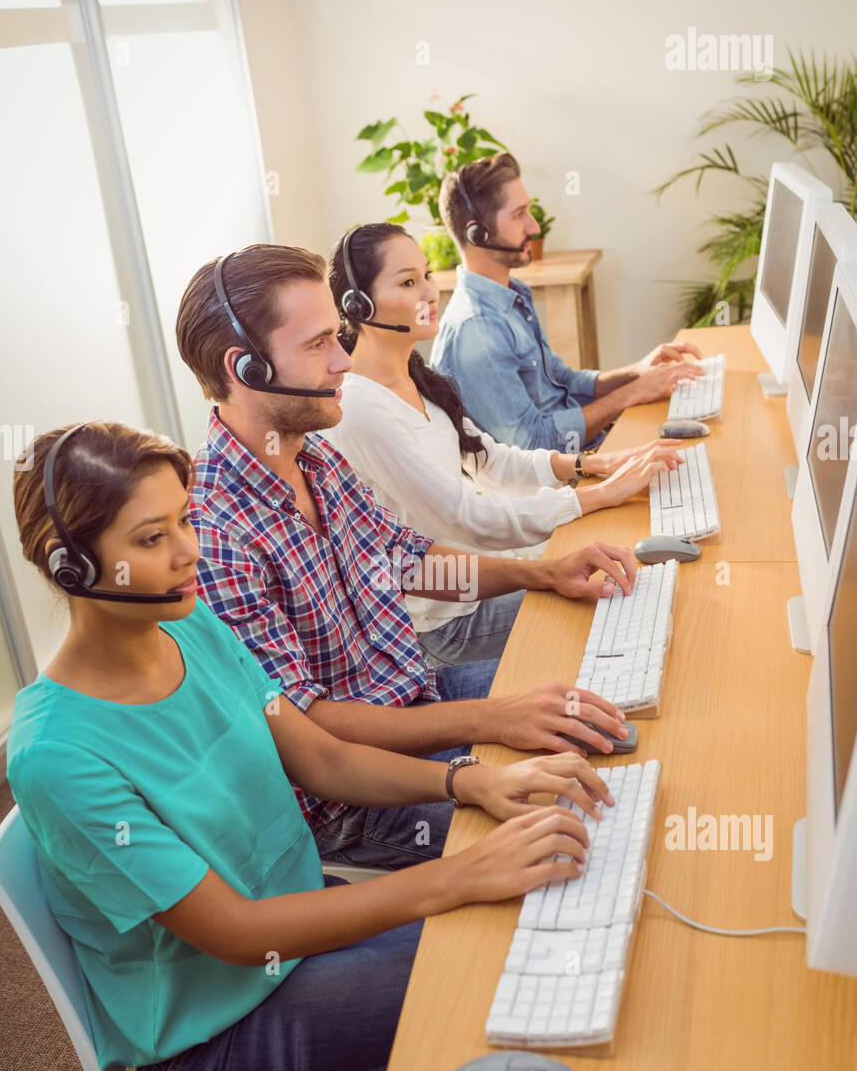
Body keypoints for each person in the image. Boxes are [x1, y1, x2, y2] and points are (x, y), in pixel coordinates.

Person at [6, 420, 613, 1071]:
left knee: (536, 915)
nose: (188, 554)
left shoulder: (188, 626)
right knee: (516, 967)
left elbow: (319, 758)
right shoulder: (58, 754)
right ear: (69, 566)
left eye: (183, 521)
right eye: (152, 538)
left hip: (302, 926)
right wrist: (459, 874)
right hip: (223, 1030)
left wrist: (466, 781)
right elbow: (236, 932)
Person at [176, 243, 638, 871]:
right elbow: (319, 729)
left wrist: (544, 573)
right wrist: (493, 717)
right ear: (246, 369)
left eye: (337, 338)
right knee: (584, 828)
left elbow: (410, 562)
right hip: (358, 802)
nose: (343, 361)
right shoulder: (213, 533)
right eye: (317, 346)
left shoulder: (313, 456)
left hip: (417, 696)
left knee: (604, 694)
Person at [324, 222, 686, 667]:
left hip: (500, 564)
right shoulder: (361, 409)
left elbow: (493, 458)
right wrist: (599, 495)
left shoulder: (415, 375)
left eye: (427, 274)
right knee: (630, 600)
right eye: (407, 282)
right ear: (358, 305)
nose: (430, 292)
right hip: (450, 620)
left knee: (643, 563)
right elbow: (467, 518)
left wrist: (595, 465)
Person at [430, 152, 705, 452]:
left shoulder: (509, 296)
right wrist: (633, 393)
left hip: (585, 455)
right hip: (560, 483)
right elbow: (534, 445)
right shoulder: (477, 330)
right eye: (518, 214)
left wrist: (637, 373)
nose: (534, 227)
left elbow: (562, 382)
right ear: (477, 233)